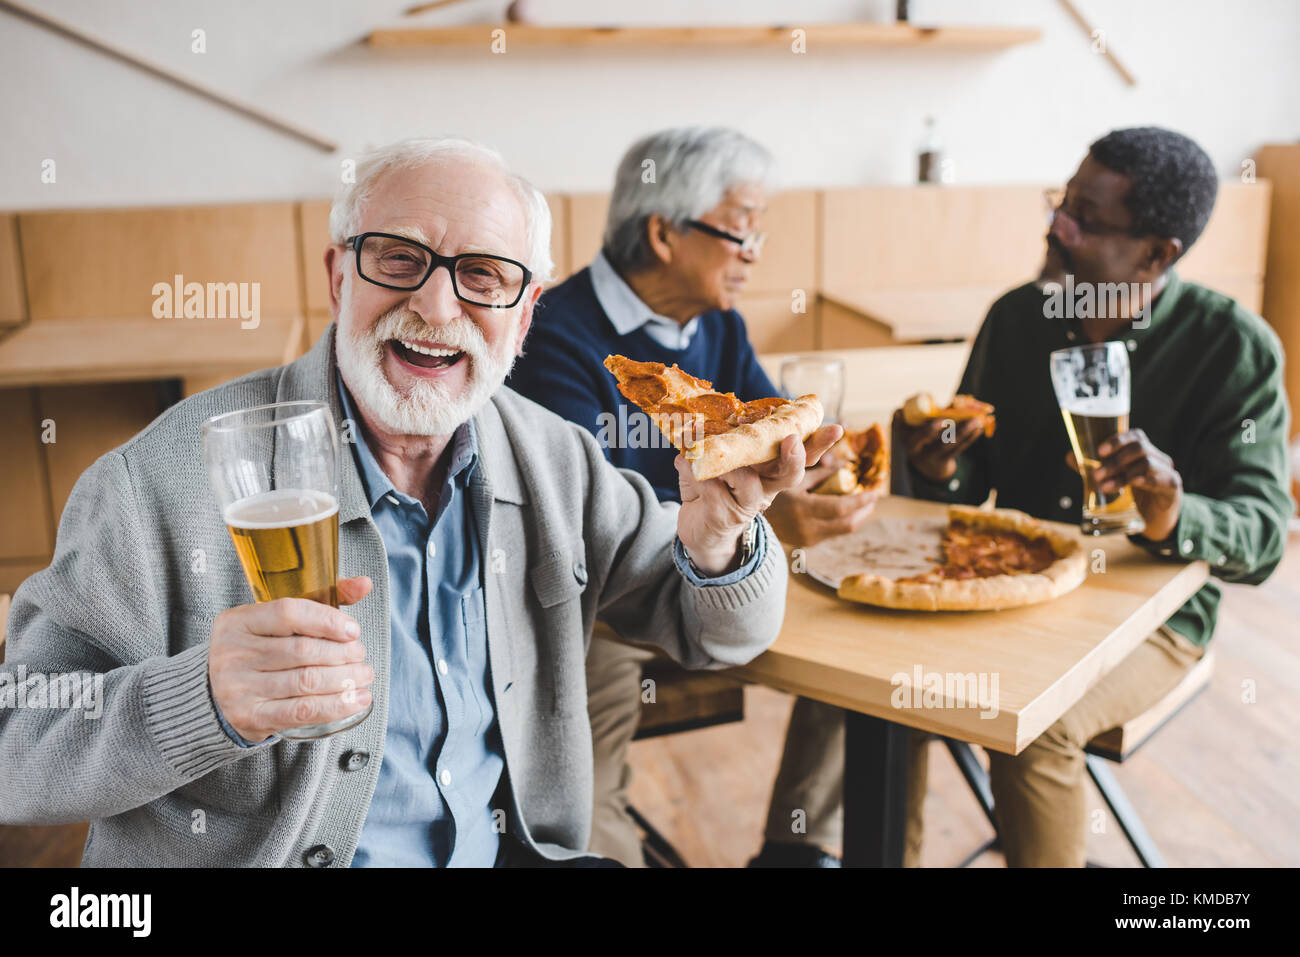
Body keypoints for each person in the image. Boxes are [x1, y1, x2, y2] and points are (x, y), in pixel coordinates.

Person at [0, 136, 840, 867]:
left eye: (482, 275)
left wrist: (723, 536)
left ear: (524, 315)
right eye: (398, 259)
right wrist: (202, 700)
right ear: (338, 277)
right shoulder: (154, 484)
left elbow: (724, 635)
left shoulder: (553, 457)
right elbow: (17, 745)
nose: (435, 307)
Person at [764, 126, 1294, 867]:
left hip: (1153, 611)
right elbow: (968, 477)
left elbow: (1266, 534)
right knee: (861, 664)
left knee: (1037, 724)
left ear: (1157, 253)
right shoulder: (1019, 316)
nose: (1056, 228)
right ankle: (797, 856)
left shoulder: (1234, 347)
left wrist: (1173, 507)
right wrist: (940, 462)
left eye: (1084, 219)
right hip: (1003, 577)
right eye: (1060, 203)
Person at [508, 126, 876, 867]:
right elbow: (584, 522)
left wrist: (828, 476)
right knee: (582, 787)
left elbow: (781, 448)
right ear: (663, 234)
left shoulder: (717, 325)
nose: (754, 256)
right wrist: (765, 519)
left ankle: (795, 851)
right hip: (605, 605)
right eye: (742, 232)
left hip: (726, 576)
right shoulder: (553, 334)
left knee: (870, 670)